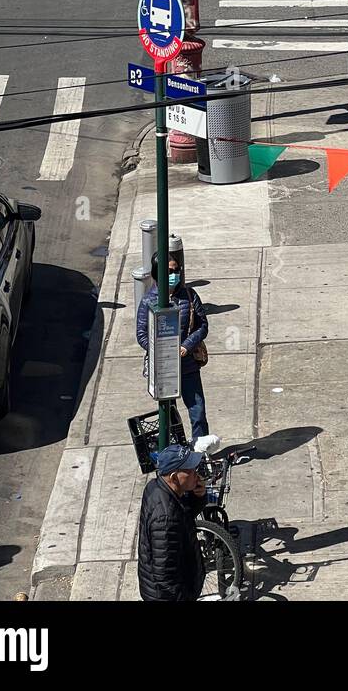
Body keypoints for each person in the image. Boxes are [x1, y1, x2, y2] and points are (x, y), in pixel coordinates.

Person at [137, 254, 210, 440]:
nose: (175, 274)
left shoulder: (189, 295)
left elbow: (202, 326)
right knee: (169, 415)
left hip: (188, 365)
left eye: (177, 270)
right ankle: (177, 452)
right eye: (170, 271)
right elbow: (141, 334)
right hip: (164, 368)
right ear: (157, 274)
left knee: (198, 411)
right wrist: (160, 351)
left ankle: (201, 451)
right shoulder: (148, 301)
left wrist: (187, 346)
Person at [137, 443, 206, 602]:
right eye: (190, 471)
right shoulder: (166, 518)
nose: (196, 474)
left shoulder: (155, 487)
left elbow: (184, 517)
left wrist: (198, 496)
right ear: (175, 477)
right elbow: (165, 577)